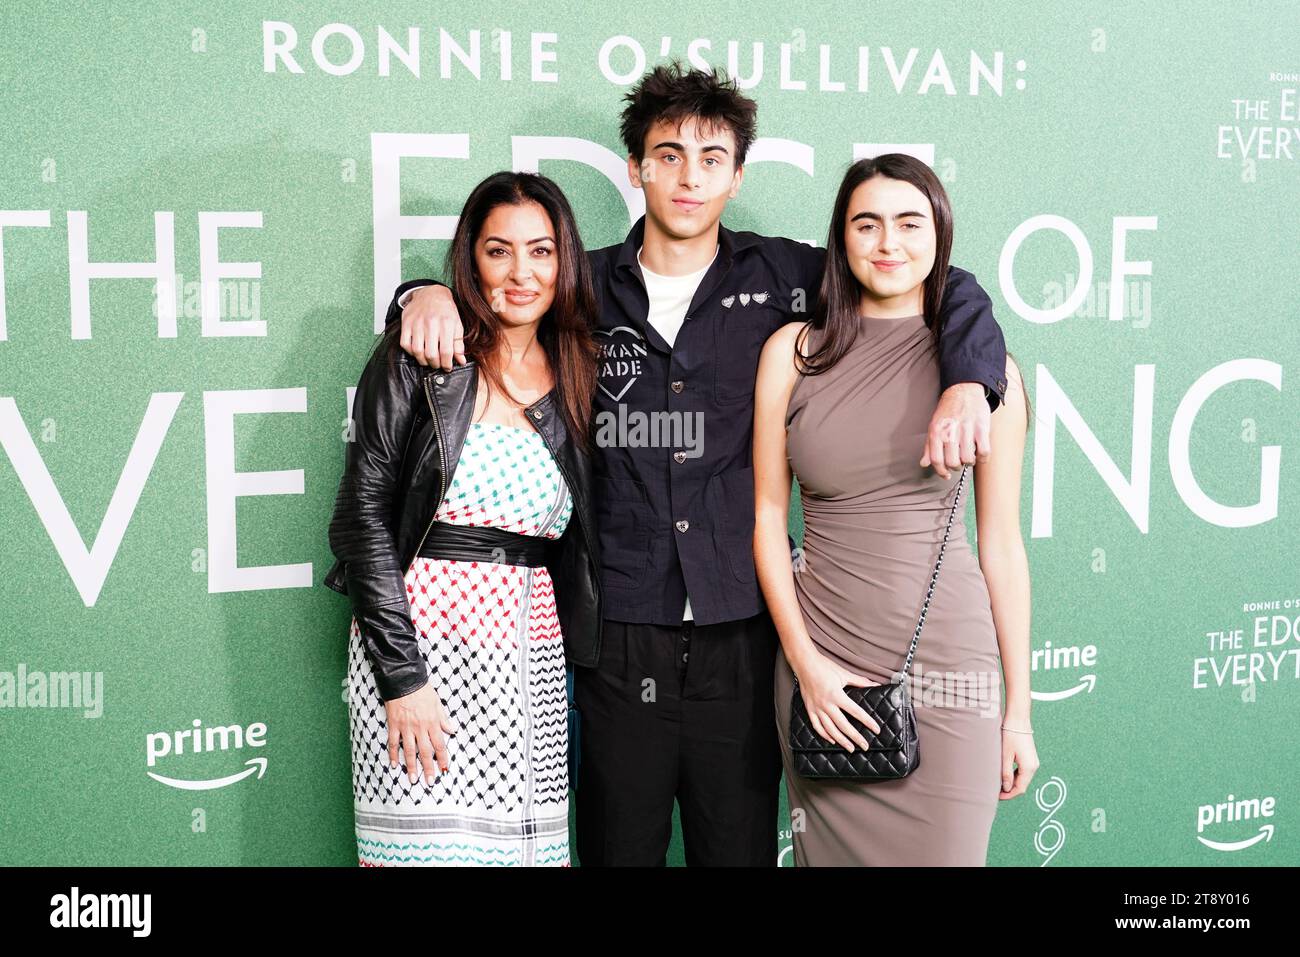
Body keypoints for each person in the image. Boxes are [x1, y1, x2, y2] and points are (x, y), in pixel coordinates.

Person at [389, 63, 1008, 866]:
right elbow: (498, 293)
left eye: (712, 157)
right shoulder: (581, 288)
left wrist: (971, 377)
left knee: (739, 851)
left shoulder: (789, 277)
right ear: (635, 168)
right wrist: (418, 295)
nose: (689, 176)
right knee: (620, 850)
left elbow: (942, 280)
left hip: (745, 638)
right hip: (616, 633)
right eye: (668, 154)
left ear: (738, 173)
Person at [752, 153, 1038, 866]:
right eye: (867, 224)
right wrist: (807, 664)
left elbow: (1001, 546)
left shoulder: (987, 373)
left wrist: (1019, 714)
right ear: (841, 240)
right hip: (826, 666)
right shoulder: (793, 353)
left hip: (950, 665)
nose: (889, 243)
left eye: (910, 223)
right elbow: (764, 517)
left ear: (940, 234)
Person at [322, 171, 602, 866]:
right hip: (419, 654)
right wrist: (403, 679)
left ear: (564, 260)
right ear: (469, 258)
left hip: (528, 659)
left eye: (540, 251)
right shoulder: (421, 356)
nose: (521, 272)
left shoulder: (581, 369)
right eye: (497, 250)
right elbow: (363, 516)